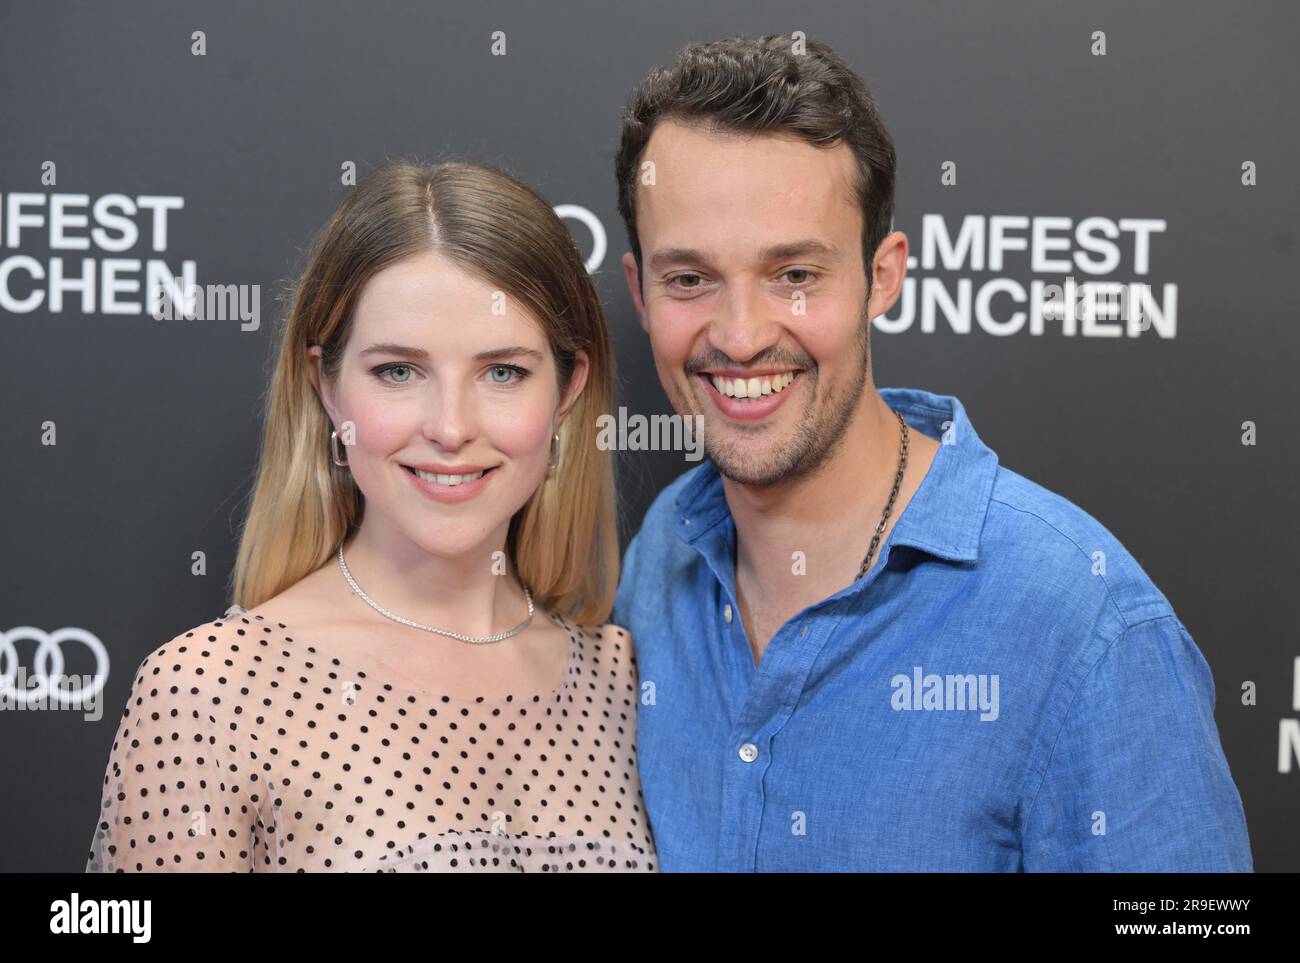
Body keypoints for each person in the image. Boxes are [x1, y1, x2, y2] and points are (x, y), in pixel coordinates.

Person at [610, 35, 1253, 871]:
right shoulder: (663, 551)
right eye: (689, 279)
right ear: (640, 293)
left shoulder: (1086, 622)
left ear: (883, 277)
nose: (740, 335)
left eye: (795, 274)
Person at [86, 159, 656, 872]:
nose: (451, 427)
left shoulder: (625, 683)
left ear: (568, 390)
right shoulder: (210, 692)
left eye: (502, 372)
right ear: (326, 386)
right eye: (398, 371)